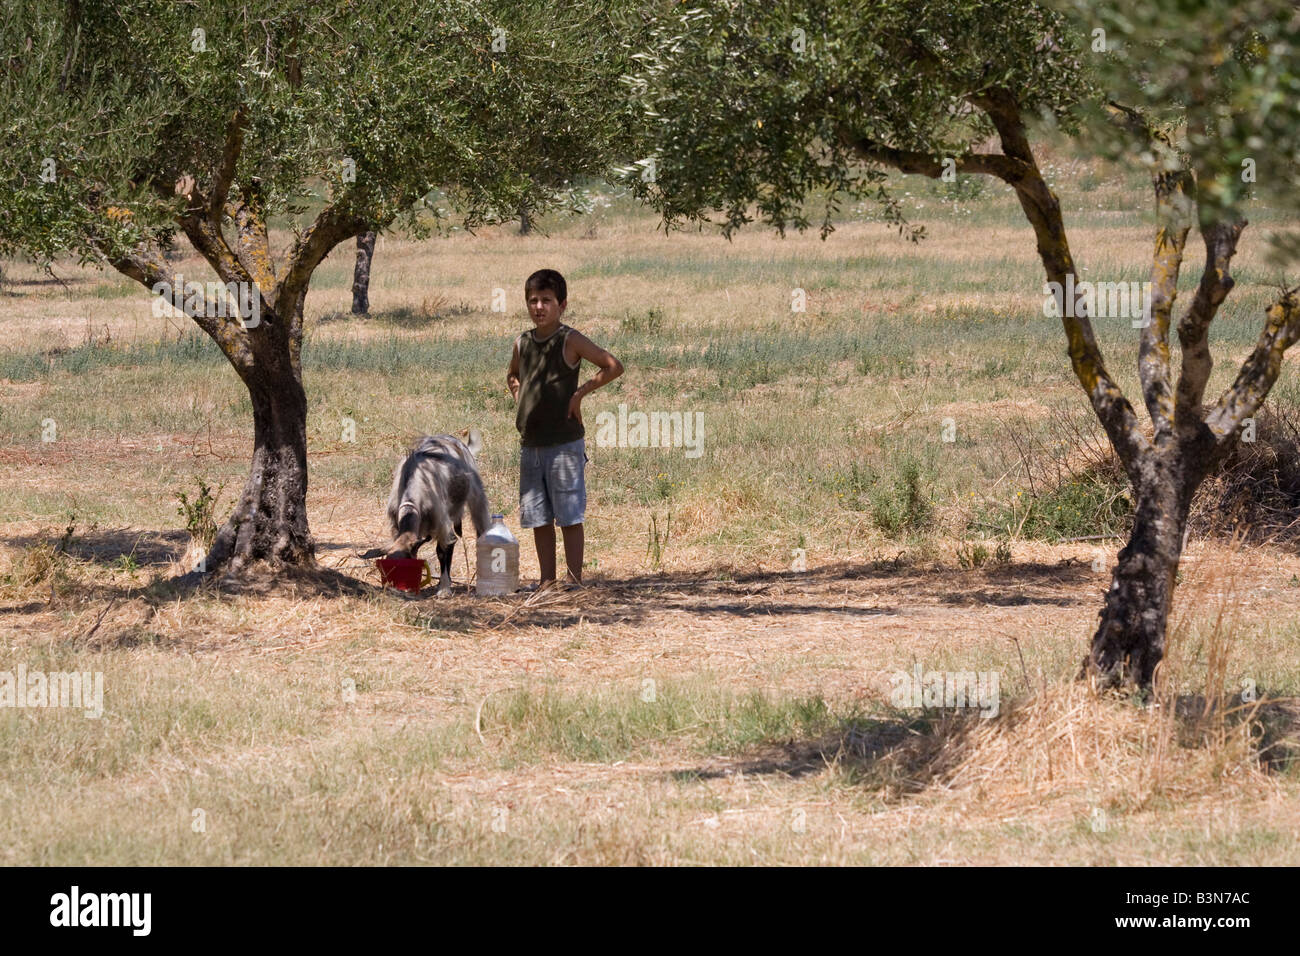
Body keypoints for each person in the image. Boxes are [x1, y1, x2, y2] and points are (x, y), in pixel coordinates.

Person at [506, 269, 623, 588]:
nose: (539, 307)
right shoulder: (522, 342)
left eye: (547, 300)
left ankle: (573, 582)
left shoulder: (570, 339)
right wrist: (520, 397)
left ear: (562, 305)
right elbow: (513, 376)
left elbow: (612, 366)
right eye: (533, 300)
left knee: (569, 515)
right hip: (531, 445)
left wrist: (579, 394)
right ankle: (547, 582)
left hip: (564, 445)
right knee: (538, 517)